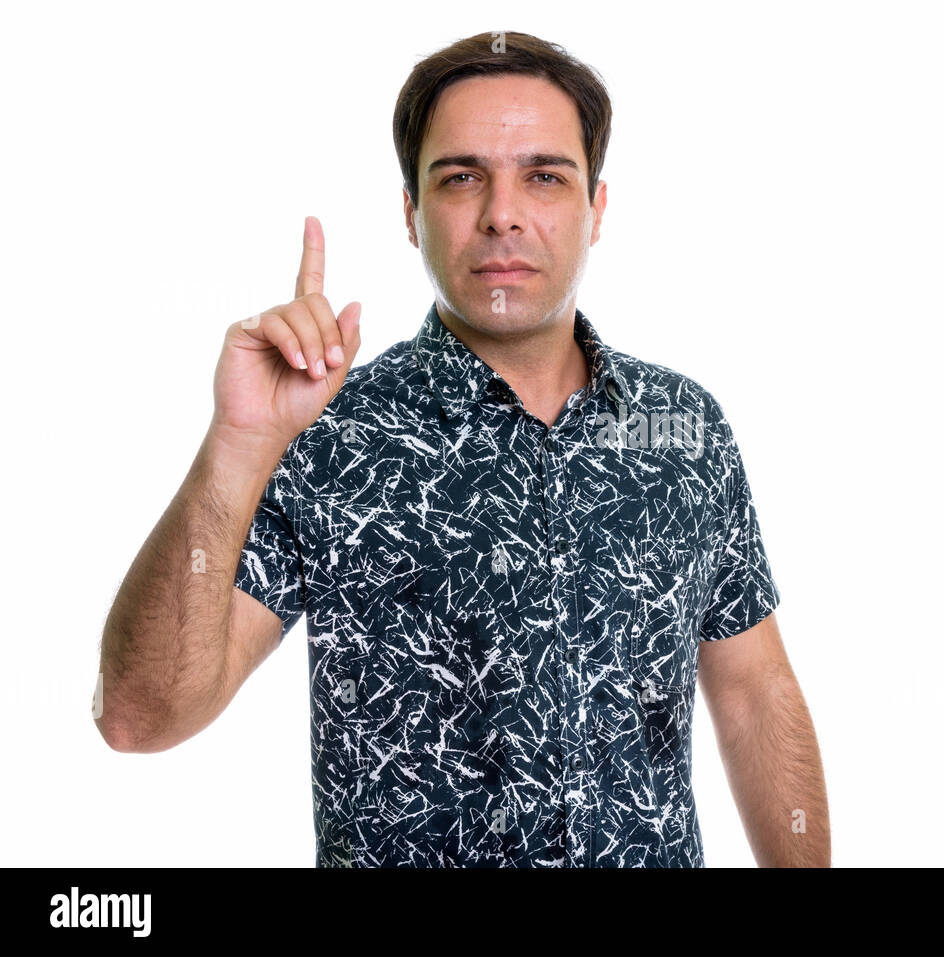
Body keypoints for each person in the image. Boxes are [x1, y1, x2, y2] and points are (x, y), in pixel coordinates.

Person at [96, 30, 829, 868]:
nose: (503, 212)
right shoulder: (328, 433)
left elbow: (752, 690)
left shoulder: (683, 426)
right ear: (410, 213)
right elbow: (140, 715)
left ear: (597, 210)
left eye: (545, 176)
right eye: (462, 177)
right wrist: (236, 445)